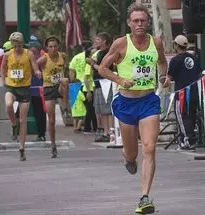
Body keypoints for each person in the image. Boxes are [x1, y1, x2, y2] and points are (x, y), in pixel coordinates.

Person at [98, 3, 170, 214]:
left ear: (148, 23)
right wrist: (120, 78)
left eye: (143, 21)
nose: (139, 24)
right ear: (129, 23)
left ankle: (144, 197)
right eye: (135, 21)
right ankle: (129, 159)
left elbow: (163, 63)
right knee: (132, 153)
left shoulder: (155, 42)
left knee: (149, 147)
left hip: (148, 101)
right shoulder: (121, 44)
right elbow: (102, 68)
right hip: (126, 103)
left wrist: (164, 77)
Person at [0, 32, 42, 161]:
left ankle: (22, 148)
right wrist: (3, 80)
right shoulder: (7, 55)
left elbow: (34, 66)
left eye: (19, 45)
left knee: (23, 121)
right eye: (15, 45)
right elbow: (3, 68)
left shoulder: (28, 53)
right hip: (11, 87)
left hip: (24, 88)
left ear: (21, 43)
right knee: (8, 105)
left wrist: (37, 72)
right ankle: (13, 123)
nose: (17, 48)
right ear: (12, 45)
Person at [168, 35, 201, 150]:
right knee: (191, 115)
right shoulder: (194, 58)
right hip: (194, 92)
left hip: (181, 93)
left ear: (176, 45)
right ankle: (189, 139)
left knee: (182, 116)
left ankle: (187, 140)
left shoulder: (175, 60)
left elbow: (170, 77)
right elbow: (198, 74)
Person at [37, 36, 68, 158]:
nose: (53, 48)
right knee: (51, 120)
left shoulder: (63, 56)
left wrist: (63, 77)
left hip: (59, 85)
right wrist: (37, 71)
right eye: (50, 46)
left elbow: (64, 69)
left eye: (55, 46)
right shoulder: (44, 59)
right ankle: (53, 144)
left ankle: (65, 109)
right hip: (49, 87)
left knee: (65, 81)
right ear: (46, 48)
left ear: (58, 46)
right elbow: (34, 64)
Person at [86, 32, 114, 142]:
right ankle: (106, 132)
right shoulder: (98, 53)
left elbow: (103, 69)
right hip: (98, 84)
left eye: (98, 40)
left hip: (106, 83)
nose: (95, 42)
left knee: (108, 109)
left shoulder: (107, 53)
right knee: (101, 110)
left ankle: (111, 133)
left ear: (104, 41)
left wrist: (92, 63)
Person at [69, 41, 97, 133]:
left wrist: (73, 82)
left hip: (78, 84)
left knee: (82, 108)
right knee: (90, 107)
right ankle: (89, 126)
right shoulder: (93, 57)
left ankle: (83, 126)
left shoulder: (76, 58)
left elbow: (72, 72)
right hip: (89, 84)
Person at [28, 41, 46, 141]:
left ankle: (41, 134)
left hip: (38, 90)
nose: (31, 54)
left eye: (33, 51)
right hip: (25, 89)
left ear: (38, 52)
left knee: (39, 112)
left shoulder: (42, 61)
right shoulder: (27, 60)